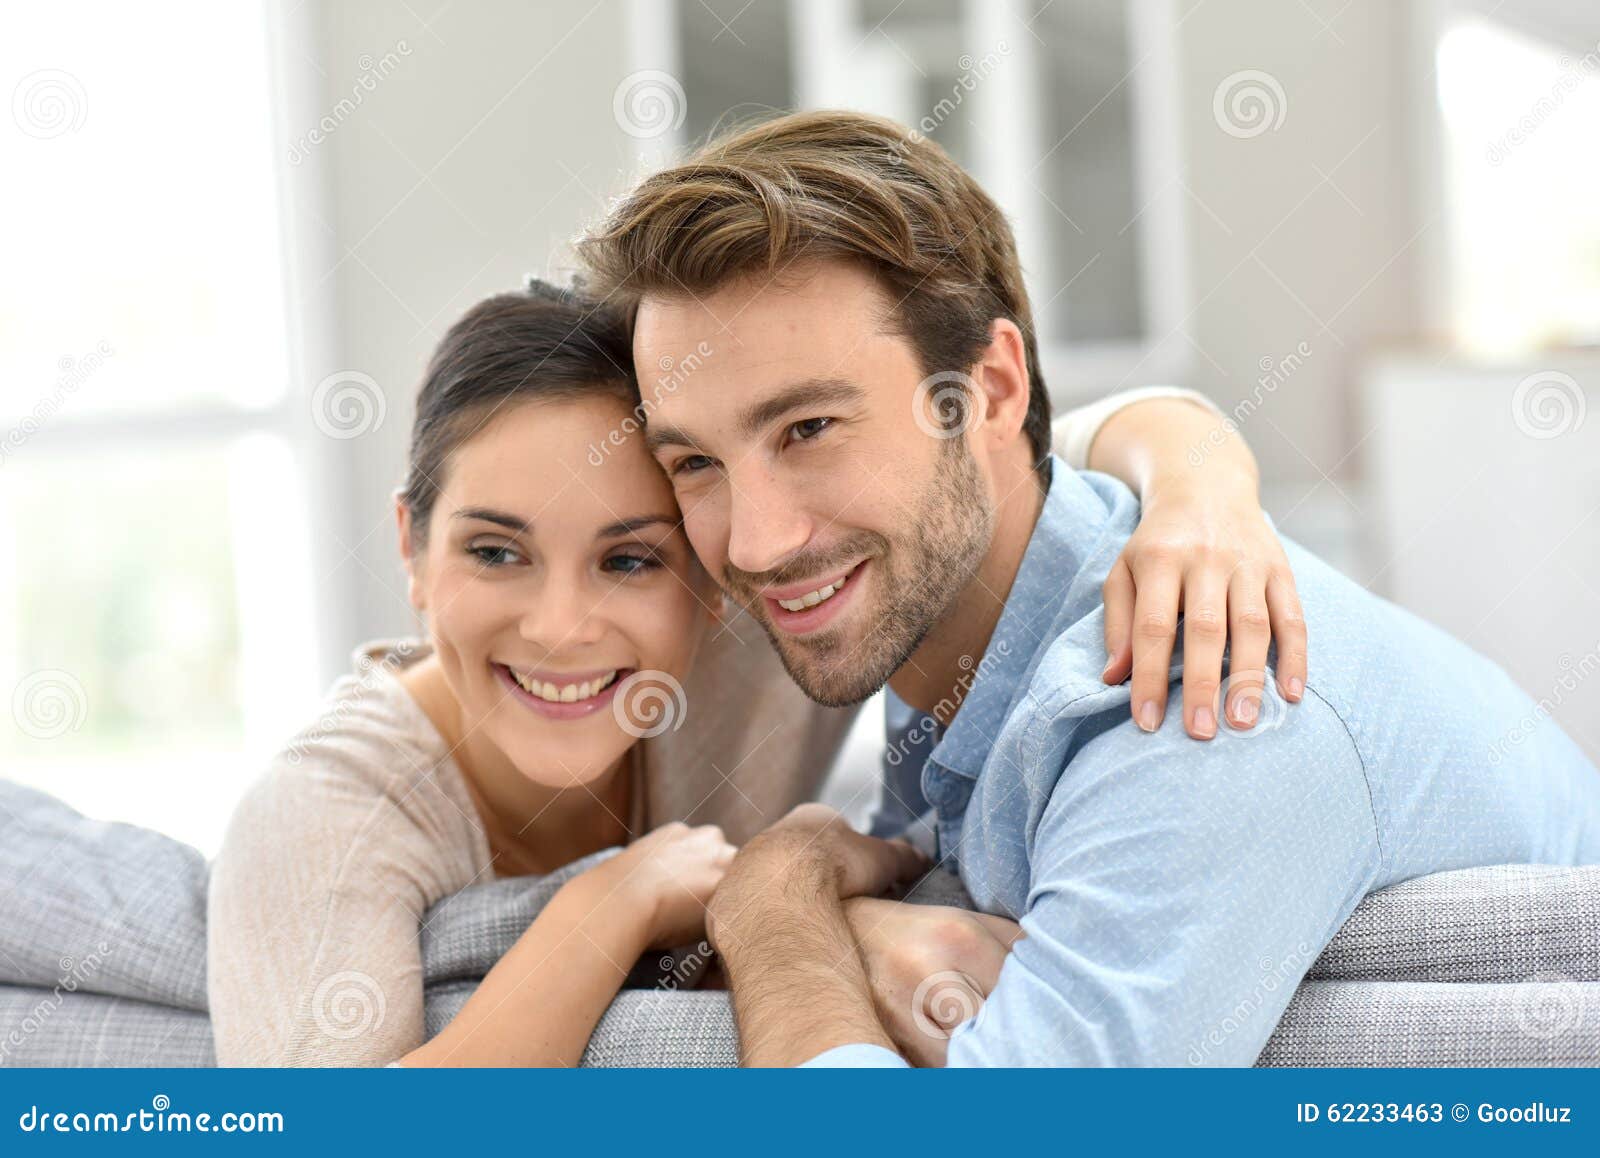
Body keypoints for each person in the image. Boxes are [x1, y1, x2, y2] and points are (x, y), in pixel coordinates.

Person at [577, 108, 1600, 1066]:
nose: (755, 543)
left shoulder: (1196, 692)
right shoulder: (974, 612)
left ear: (990, 390)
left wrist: (775, 909)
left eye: (808, 430)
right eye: (694, 464)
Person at [206, 280, 1297, 1065]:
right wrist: (612, 907)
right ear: (409, 547)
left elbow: (1032, 440)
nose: (562, 626)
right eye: (496, 551)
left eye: (631, 559)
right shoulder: (326, 812)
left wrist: (1202, 495)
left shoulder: (765, 606)